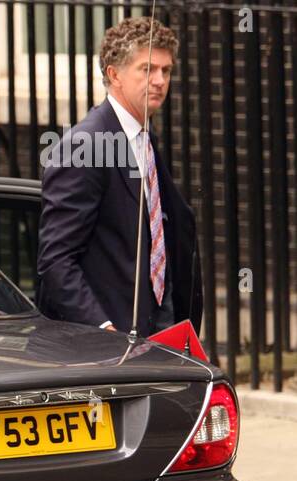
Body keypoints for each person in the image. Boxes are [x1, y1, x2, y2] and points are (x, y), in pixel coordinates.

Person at [37, 16, 202, 336]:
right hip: (110, 339)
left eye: (166, 71)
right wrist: (103, 327)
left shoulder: (144, 138)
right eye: (147, 69)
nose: (160, 80)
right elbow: (57, 260)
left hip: (161, 323)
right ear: (114, 74)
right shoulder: (85, 145)